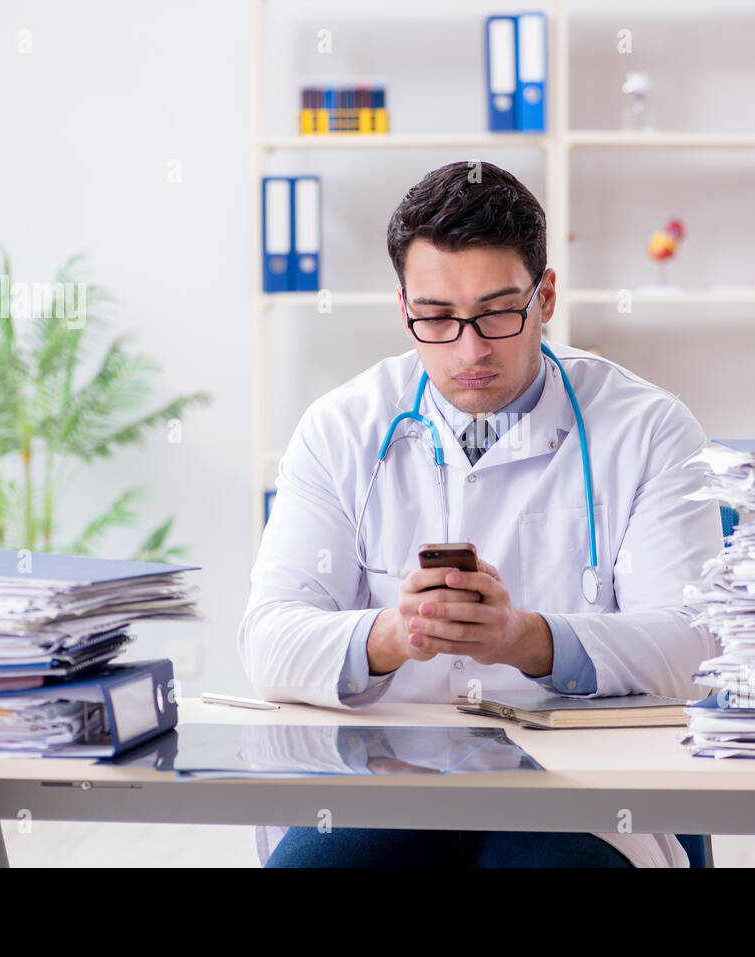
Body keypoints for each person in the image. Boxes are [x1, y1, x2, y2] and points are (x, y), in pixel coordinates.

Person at [237, 160, 723, 867]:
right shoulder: (340, 428)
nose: (470, 349)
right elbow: (268, 640)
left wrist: (527, 639)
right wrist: (392, 635)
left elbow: (696, 647)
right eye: (436, 318)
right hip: (378, 781)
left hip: (578, 792)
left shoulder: (648, 429)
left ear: (546, 294)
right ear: (403, 308)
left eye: (498, 312)